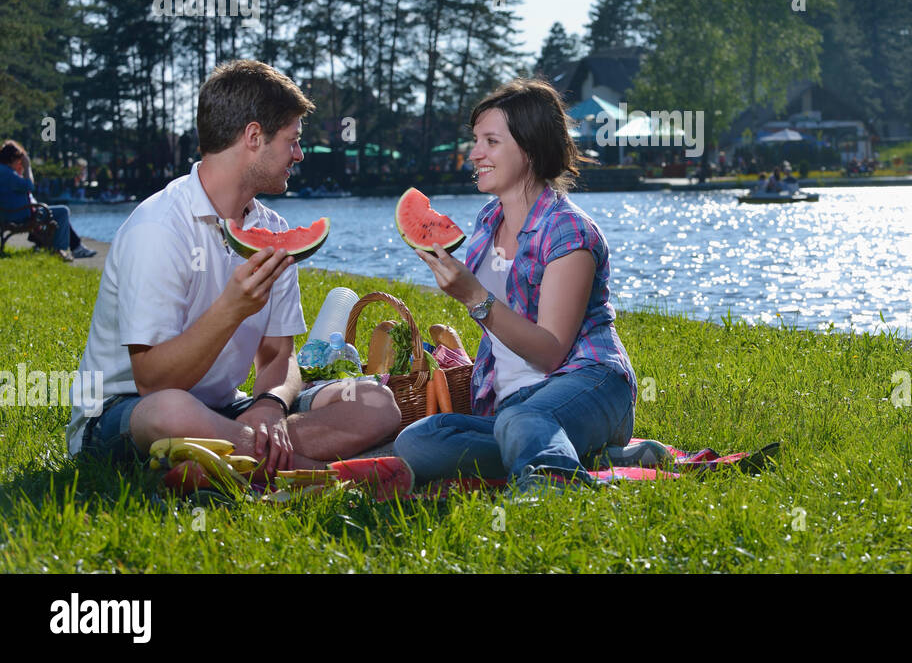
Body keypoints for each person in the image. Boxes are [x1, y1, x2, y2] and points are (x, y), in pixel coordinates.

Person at [66, 60, 401, 479]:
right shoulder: (158, 228)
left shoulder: (273, 230)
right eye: (292, 141)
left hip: (225, 411)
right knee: (172, 410)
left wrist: (269, 407)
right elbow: (152, 380)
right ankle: (317, 475)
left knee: (375, 402)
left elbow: (279, 354)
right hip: (125, 412)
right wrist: (232, 308)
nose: (298, 154)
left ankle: (221, 463)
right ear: (254, 136)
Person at [395, 78, 637, 498]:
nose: (474, 154)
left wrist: (475, 297)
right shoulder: (488, 222)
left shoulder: (569, 231)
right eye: (475, 140)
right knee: (418, 440)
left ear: (529, 148)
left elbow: (550, 351)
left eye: (491, 141)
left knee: (521, 421)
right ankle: (597, 459)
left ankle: (549, 491)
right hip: (513, 404)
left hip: (590, 383)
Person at [0, 140, 96, 261]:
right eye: (19, 161)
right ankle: (60, 250)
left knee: (55, 213)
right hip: (20, 215)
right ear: (13, 158)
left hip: (8, 214)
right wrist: (27, 166)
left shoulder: (4, 171)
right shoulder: (7, 173)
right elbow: (29, 185)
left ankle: (64, 246)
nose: (21, 164)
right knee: (62, 211)